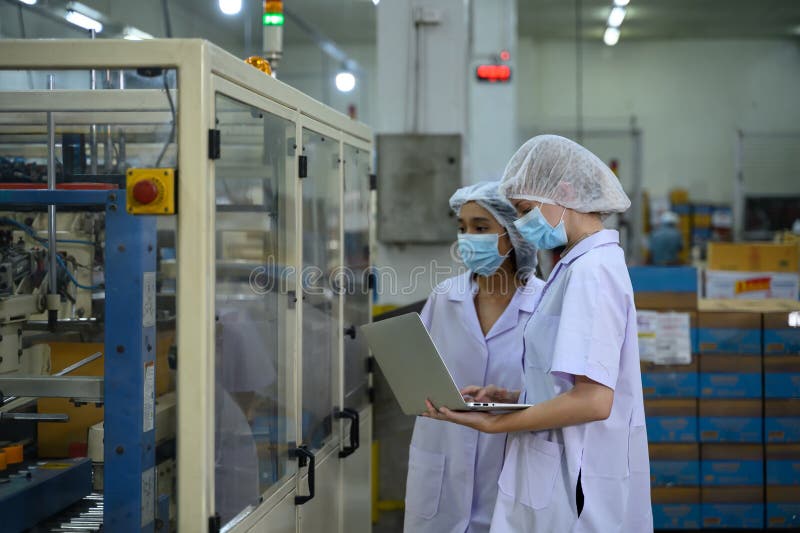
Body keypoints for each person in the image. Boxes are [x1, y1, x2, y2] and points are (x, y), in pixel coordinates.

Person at [423, 136, 653, 533]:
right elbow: (574, 381)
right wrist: (512, 399)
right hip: (555, 477)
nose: (524, 224)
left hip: (576, 486)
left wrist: (500, 423)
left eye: (526, 210)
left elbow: (595, 400)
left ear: (563, 192)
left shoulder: (592, 271)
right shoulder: (576, 267)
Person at [404, 181, 544, 533]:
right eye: (462, 228)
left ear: (512, 236)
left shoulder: (546, 304)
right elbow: (420, 373)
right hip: (443, 474)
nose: (468, 238)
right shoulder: (444, 298)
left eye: (481, 228)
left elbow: (560, 395)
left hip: (513, 472)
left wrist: (510, 399)